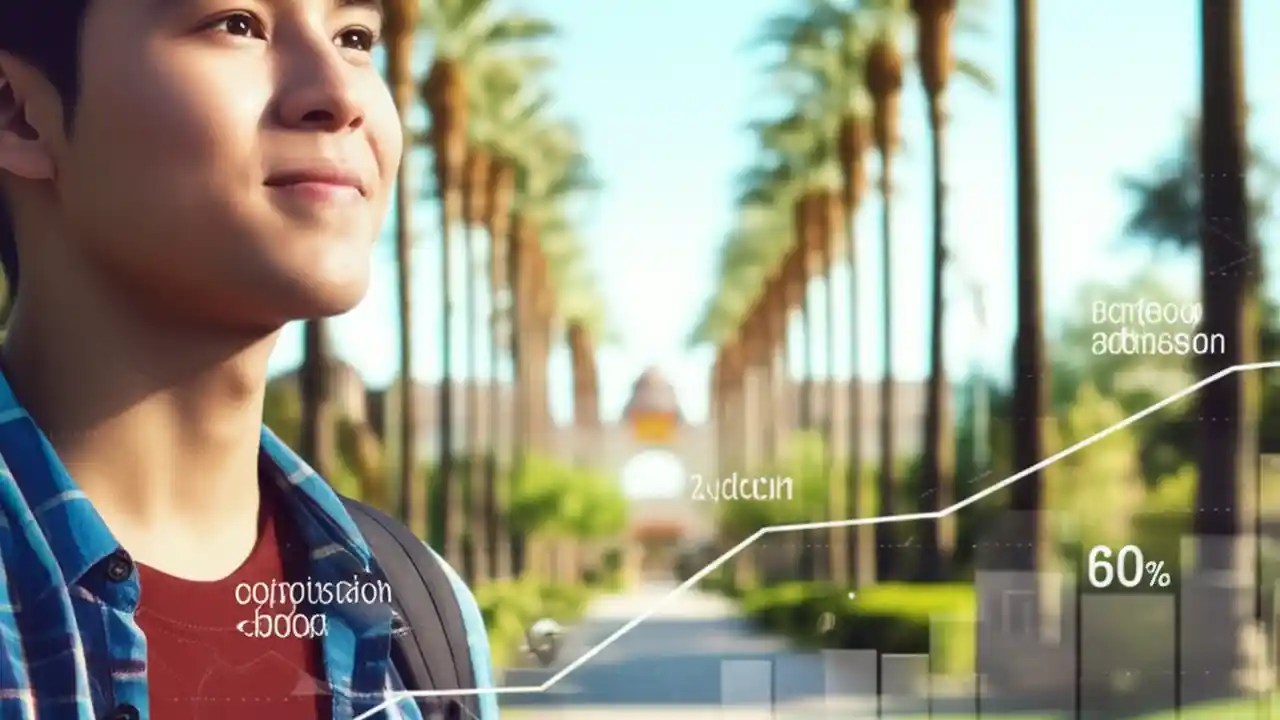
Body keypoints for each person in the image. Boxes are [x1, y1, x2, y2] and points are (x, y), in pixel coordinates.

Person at [0, 1, 497, 718]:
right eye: (236, 23)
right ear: (18, 112)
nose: (340, 95)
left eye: (355, 38)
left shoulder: (420, 615)